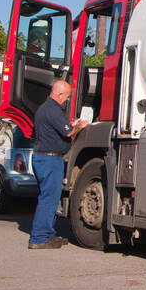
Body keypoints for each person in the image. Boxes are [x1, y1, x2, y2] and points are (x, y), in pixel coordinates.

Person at [28, 80, 89, 249]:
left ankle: (48, 234)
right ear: (60, 94)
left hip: (42, 158)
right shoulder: (53, 110)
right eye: (67, 97)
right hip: (50, 160)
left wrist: (71, 126)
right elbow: (68, 132)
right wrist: (79, 126)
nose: (67, 100)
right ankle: (39, 238)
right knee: (49, 199)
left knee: (47, 198)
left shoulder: (42, 109)